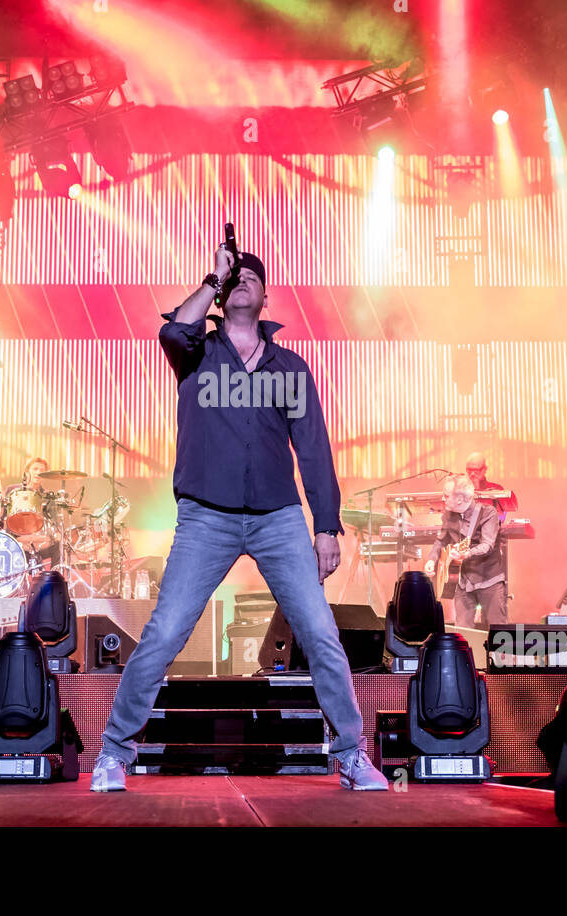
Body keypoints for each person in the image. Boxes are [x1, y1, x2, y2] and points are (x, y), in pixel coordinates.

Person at [91, 239, 388, 792]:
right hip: (207, 518)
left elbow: (315, 448)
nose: (243, 278)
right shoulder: (196, 351)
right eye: (237, 275)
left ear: (267, 296)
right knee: (165, 632)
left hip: (278, 519)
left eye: (253, 274)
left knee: (321, 634)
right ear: (224, 295)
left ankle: (351, 755)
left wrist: (326, 524)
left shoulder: (290, 366)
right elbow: (171, 331)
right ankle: (114, 753)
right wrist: (214, 276)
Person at [425, 475, 507, 628]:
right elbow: (441, 540)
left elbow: (487, 545)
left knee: (499, 633)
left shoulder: (488, 513)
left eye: (447, 495)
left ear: (460, 500)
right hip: (463, 582)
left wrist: (466, 554)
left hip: (489, 580)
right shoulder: (448, 516)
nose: (443, 498)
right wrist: (432, 559)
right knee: (463, 634)